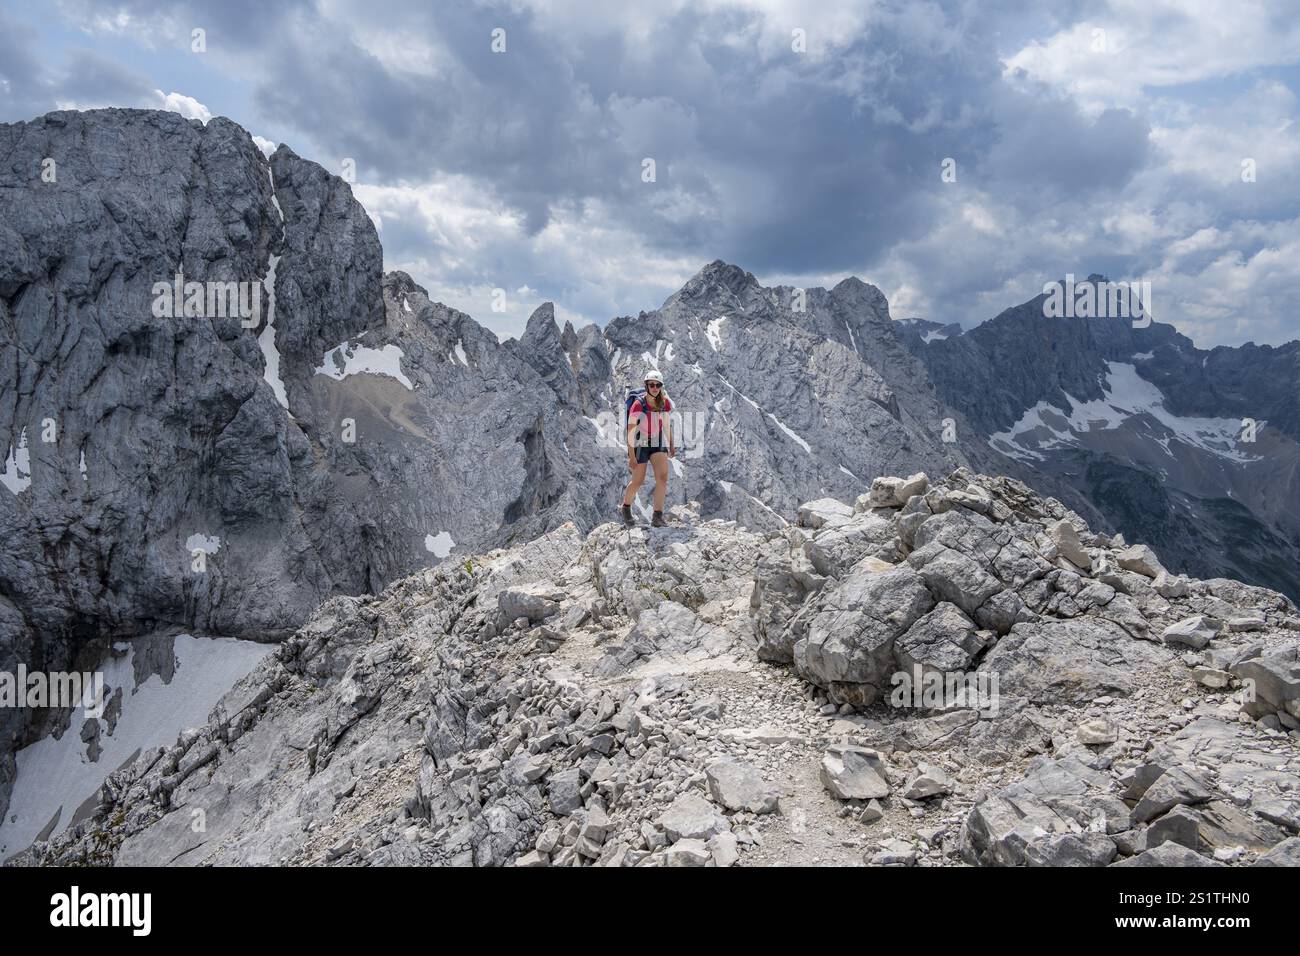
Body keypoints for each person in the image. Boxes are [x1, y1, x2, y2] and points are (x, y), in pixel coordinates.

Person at [620, 370, 676, 527]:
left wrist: (671, 444)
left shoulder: (664, 402)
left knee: (663, 478)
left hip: (657, 440)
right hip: (640, 443)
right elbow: (630, 431)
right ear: (646, 385)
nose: (655, 387)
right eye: (651, 384)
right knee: (638, 481)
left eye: (658, 385)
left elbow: (665, 423)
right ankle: (625, 508)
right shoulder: (638, 405)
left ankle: (657, 517)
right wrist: (632, 457)